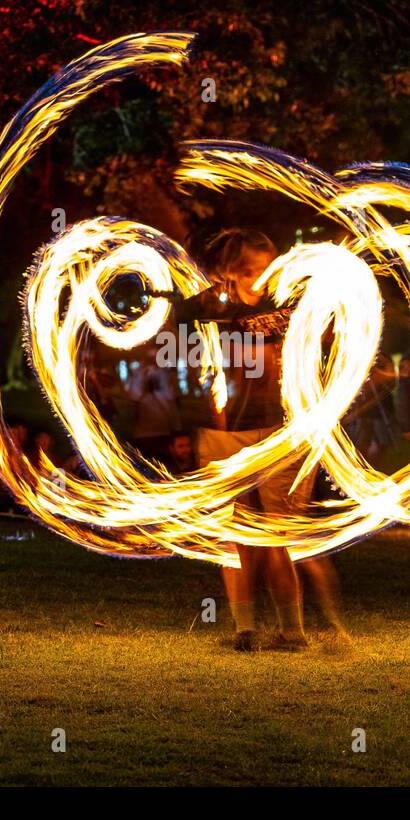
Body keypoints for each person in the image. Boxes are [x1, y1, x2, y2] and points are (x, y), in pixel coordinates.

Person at [170, 228, 312, 651]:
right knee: (234, 537)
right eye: (250, 270)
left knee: (275, 536)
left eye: (266, 268)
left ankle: (293, 632)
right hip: (222, 437)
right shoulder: (203, 309)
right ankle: (244, 629)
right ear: (230, 271)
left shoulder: (287, 304)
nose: (260, 278)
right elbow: (174, 346)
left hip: (276, 430)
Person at [126, 346, 182, 461]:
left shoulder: (164, 374)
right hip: (144, 433)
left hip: (164, 431)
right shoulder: (139, 374)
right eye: (150, 358)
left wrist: (176, 428)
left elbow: (171, 398)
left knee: (165, 464)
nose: (153, 362)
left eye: (156, 358)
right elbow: (134, 396)